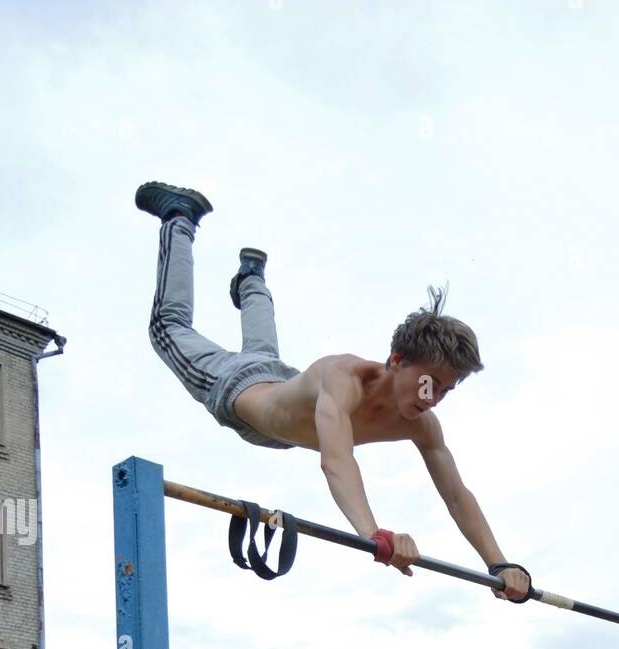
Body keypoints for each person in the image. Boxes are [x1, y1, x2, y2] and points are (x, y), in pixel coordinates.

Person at [135, 181, 531, 600]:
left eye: (445, 391)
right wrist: (373, 532)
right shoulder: (343, 379)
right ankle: (180, 219)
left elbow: (456, 494)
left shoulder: (424, 426)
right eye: (427, 383)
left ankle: (252, 281)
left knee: (263, 350)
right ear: (397, 360)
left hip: (279, 384)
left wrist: (499, 563)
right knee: (169, 327)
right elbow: (337, 459)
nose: (431, 399)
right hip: (234, 388)